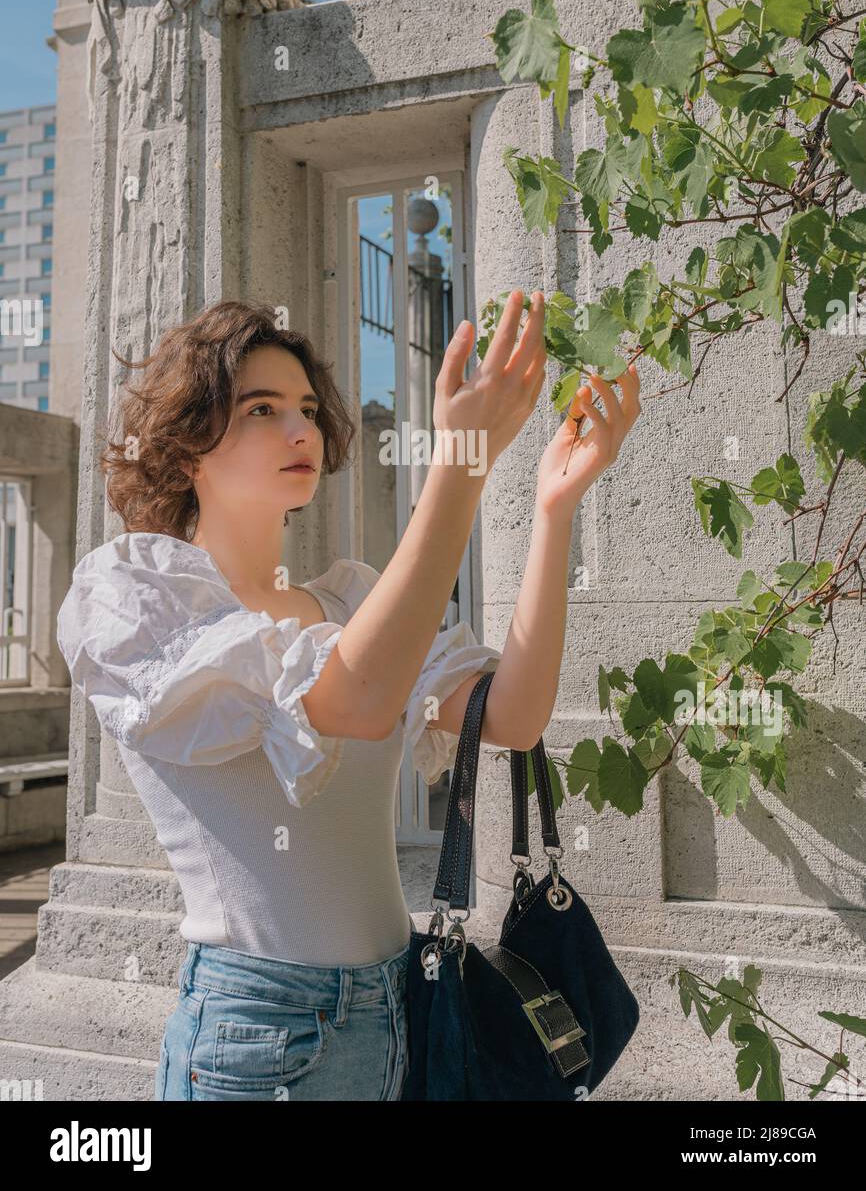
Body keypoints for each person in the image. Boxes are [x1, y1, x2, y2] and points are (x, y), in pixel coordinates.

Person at [56, 292, 641, 1101]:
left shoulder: (350, 602)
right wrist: (462, 460)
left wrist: (553, 509)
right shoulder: (133, 597)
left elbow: (509, 714)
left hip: (408, 1010)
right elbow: (354, 701)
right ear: (189, 447)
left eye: (305, 407)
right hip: (261, 1035)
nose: (300, 429)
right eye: (261, 409)